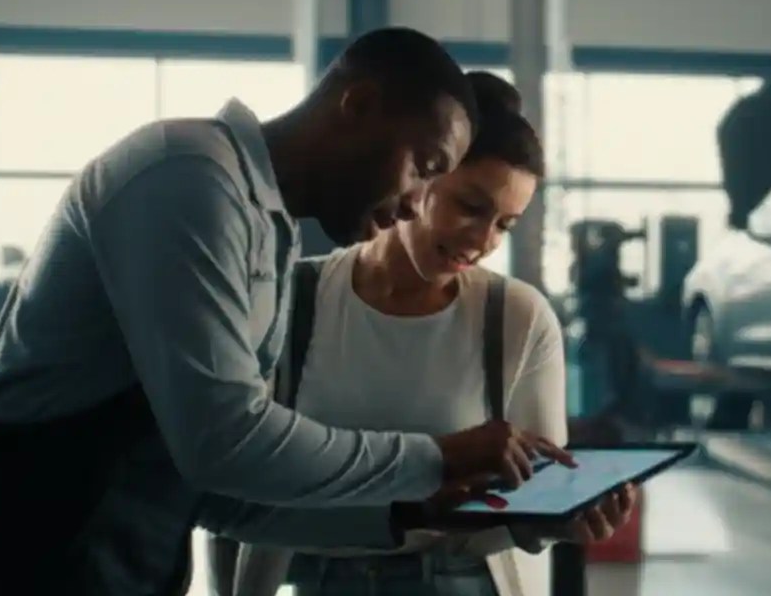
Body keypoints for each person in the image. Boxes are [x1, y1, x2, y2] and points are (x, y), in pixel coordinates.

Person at [0, 29, 569, 594]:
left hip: (125, 563)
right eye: (422, 170)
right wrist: (436, 457)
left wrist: (404, 511)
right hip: (20, 560)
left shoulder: (270, 234)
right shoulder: (186, 177)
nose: (412, 205)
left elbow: (220, 489)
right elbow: (227, 442)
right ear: (359, 106)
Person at [214, 72, 638, 596]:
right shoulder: (292, 295)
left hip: (459, 582)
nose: (482, 241)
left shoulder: (517, 317)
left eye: (505, 224)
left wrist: (565, 519)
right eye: (470, 206)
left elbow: (535, 502)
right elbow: (233, 469)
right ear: (419, 177)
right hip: (309, 579)